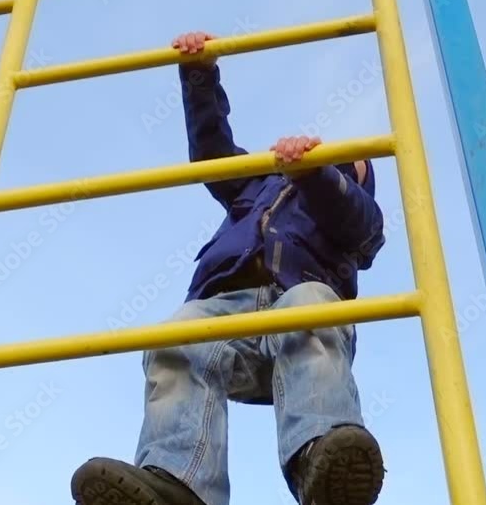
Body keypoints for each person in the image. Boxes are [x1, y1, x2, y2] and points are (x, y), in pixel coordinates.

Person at [71, 31, 387, 505]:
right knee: (179, 332)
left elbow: (359, 226)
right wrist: (200, 73)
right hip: (228, 309)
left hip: (296, 308)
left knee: (311, 305)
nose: (336, 162)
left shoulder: (352, 210)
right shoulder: (255, 186)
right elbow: (212, 154)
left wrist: (317, 174)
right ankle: (179, 481)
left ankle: (321, 458)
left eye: (349, 164)